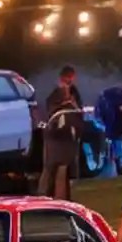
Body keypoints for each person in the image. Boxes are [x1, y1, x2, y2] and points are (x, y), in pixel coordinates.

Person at [39, 66, 85, 199]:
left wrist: (72, 102)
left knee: (64, 166)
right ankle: (44, 195)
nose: (70, 80)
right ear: (62, 77)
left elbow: (78, 109)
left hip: (68, 134)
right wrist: (63, 102)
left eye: (71, 77)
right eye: (68, 77)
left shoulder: (74, 91)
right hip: (55, 134)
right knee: (50, 166)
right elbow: (50, 110)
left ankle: (62, 197)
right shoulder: (54, 92)